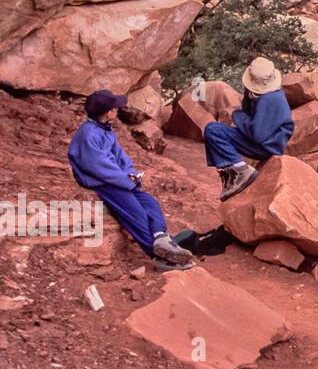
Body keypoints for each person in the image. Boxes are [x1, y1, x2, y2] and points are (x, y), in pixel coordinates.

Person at [68, 90, 196, 270]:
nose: (117, 110)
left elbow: (121, 157)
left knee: (150, 203)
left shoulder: (105, 130)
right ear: (108, 112)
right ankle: (159, 257)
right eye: (115, 108)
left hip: (118, 180)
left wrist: (131, 174)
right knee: (136, 213)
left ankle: (161, 238)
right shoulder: (88, 134)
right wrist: (126, 181)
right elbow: (99, 168)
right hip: (102, 183)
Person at [202, 56, 294, 201]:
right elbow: (248, 110)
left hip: (267, 146)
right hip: (261, 141)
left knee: (213, 130)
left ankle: (240, 170)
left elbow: (258, 134)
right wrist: (250, 96)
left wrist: (237, 116)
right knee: (213, 129)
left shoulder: (271, 99)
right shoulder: (260, 94)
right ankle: (230, 172)